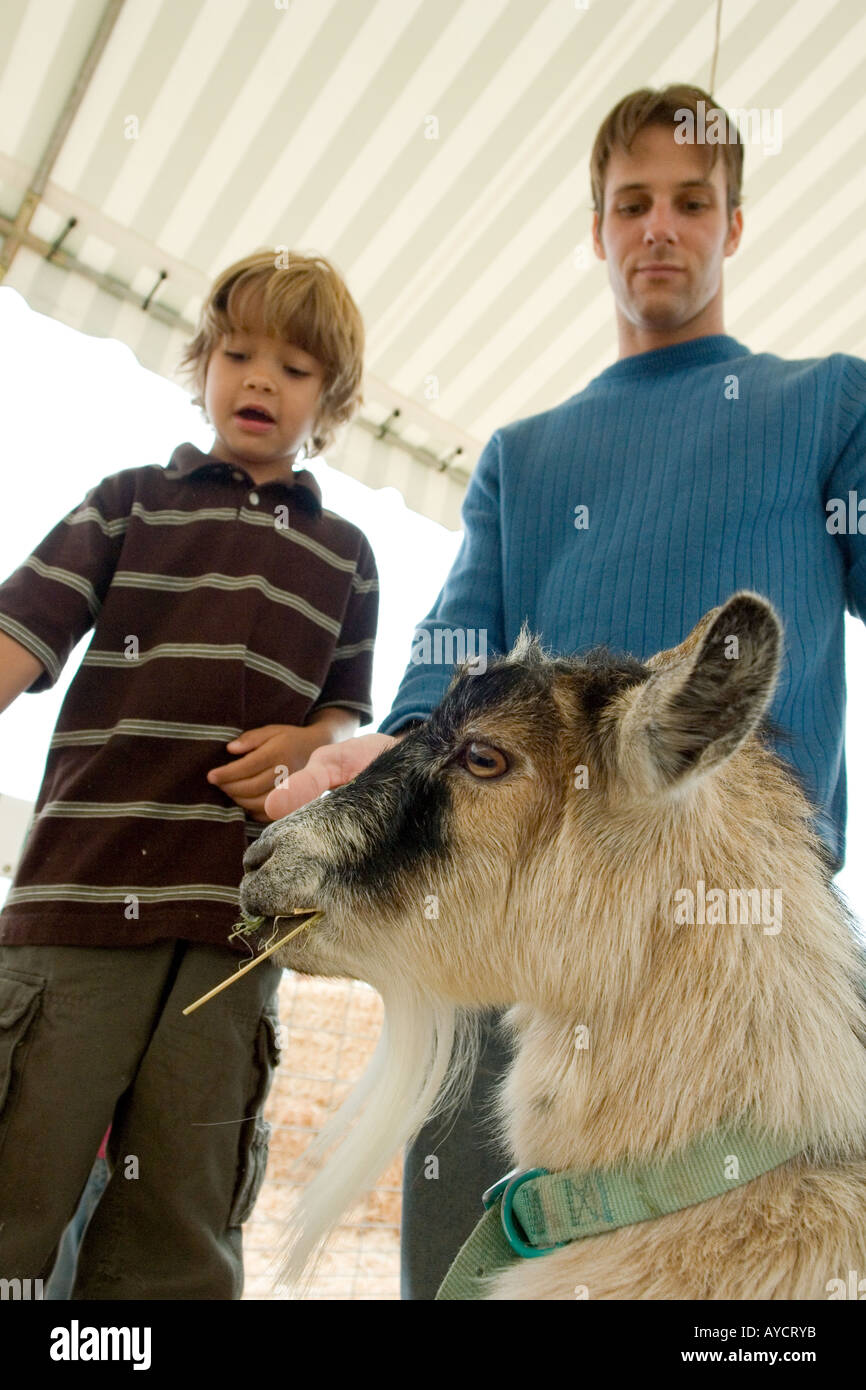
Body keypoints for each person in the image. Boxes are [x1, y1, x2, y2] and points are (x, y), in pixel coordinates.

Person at [262, 84, 866, 1300]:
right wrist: (370, 751)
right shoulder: (524, 453)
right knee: (475, 1255)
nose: (658, 228)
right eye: (630, 203)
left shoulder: (825, 405)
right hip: (517, 911)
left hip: (746, 952)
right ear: (595, 228)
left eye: (689, 203)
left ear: (732, 225)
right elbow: (452, 657)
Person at [0, 249, 378, 1299]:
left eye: (295, 367)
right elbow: (19, 633)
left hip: (233, 926)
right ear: (201, 362)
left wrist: (310, 746)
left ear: (331, 400)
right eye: (239, 352)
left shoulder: (347, 556)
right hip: (79, 897)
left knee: (180, 1215)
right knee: (18, 1181)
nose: (260, 380)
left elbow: (344, 712)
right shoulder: (127, 503)